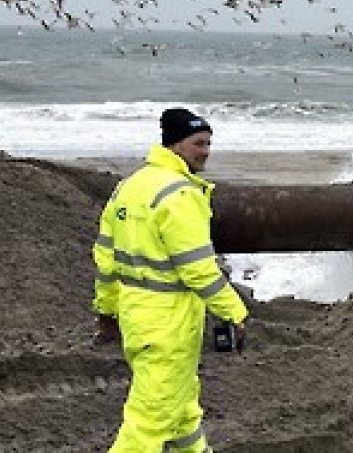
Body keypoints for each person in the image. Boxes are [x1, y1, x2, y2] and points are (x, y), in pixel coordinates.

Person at [92, 107, 248, 452]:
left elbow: (106, 258)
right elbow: (199, 269)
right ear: (176, 145)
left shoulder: (129, 187)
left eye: (208, 143)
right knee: (146, 426)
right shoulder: (179, 195)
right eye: (198, 143)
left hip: (139, 317)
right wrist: (234, 313)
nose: (205, 151)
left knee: (182, 415)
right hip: (168, 327)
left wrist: (107, 310)